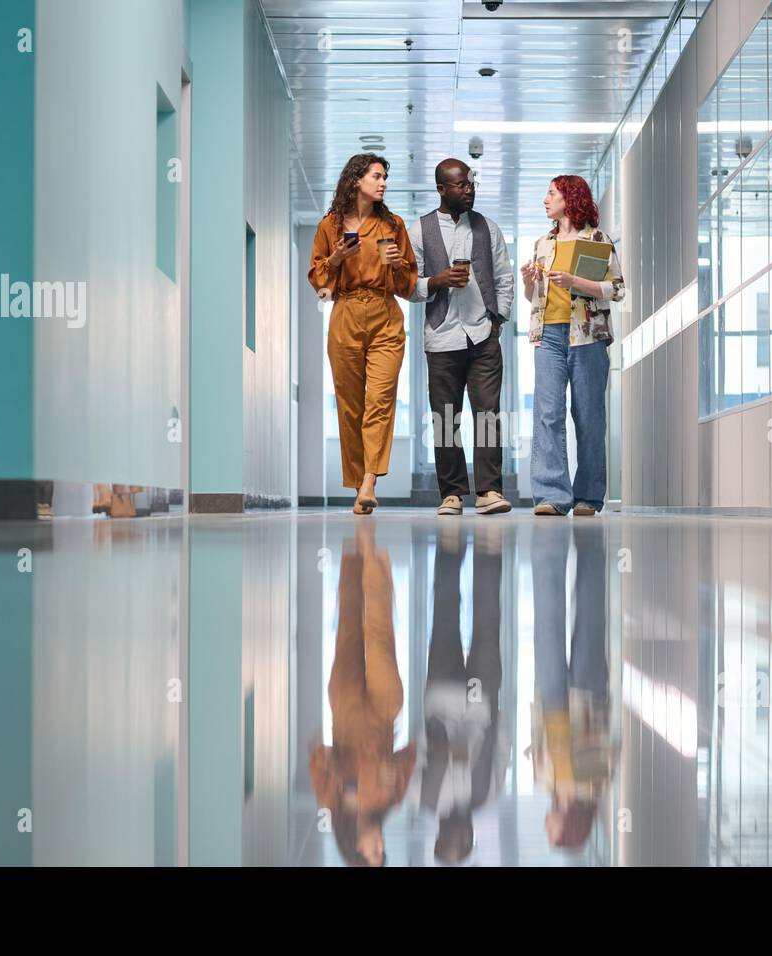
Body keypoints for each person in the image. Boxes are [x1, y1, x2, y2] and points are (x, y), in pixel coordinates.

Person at [308, 153, 418, 514]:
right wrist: (338, 257)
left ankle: (370, 478)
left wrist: (398, 267)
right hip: (346, 313)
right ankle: (358, 484)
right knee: (350, 405)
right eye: (376, 176)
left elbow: (407, 284)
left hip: (385, 314)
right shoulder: (331, 226)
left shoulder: (394, 225)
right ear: (357, 180)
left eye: (385, 176)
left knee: (381, 400)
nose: (383, 182)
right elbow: (318, 279)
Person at [408, 159, 515, 517]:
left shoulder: (488, 228)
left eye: (471, 184)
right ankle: (452, 493)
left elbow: (504, 277)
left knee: (487, 414)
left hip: (482, 334)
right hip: (441, 336)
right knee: (445, 417)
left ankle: (488, 491)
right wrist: (437, 281)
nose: (469, 189)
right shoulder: (419, 230)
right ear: (441, 189)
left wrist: (497, 319)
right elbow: (409, 286)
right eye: (461, 185)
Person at [308, 521, 416, 866]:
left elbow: (316, 754)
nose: (380, 846)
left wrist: (337, 772)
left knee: (349, 626)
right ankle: (371, 553)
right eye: (384, 852)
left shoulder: (331, 803)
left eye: (374, 852)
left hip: (345, 708)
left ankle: (354, 556)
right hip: (385, 711)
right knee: (379, 633)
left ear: (355, 848)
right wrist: (389, 767)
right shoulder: (391, 802)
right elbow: (412, 752)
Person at [520, 175, 625, 516]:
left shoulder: (596, 239)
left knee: (588, 415)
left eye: (550, 193)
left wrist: (575, 281)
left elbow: (618, 289)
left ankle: (588, 497)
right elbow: (533, 298)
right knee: (548, 415)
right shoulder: (542, 244)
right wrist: (529, 283)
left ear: (570, 197)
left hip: (587, 336)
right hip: (548, 335)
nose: (545, 199)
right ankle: (551, 495)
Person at [409, 522, 509, 864]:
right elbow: (501, 747)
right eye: (465, 842)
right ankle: (489, 551)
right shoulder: (486, 795)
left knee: (445, 614)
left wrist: (448, 749)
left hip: (441, 693)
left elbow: (417, 747)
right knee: (487, 622)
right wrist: (493, 712)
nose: (463, 834)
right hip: (480, 698)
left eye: (453, 841)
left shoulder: (422, 797)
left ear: (439, 838)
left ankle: (449, 549)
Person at [528, 520, 616, 851]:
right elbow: (604, 745)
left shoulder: (551, 786)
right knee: (591, 616)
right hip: (588, 703)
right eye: (552, 834)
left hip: (550, 708)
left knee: (547, 623)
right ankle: (590, 549)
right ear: (567, 827)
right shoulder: (594, 787)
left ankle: (557, 552)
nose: (545, 826)